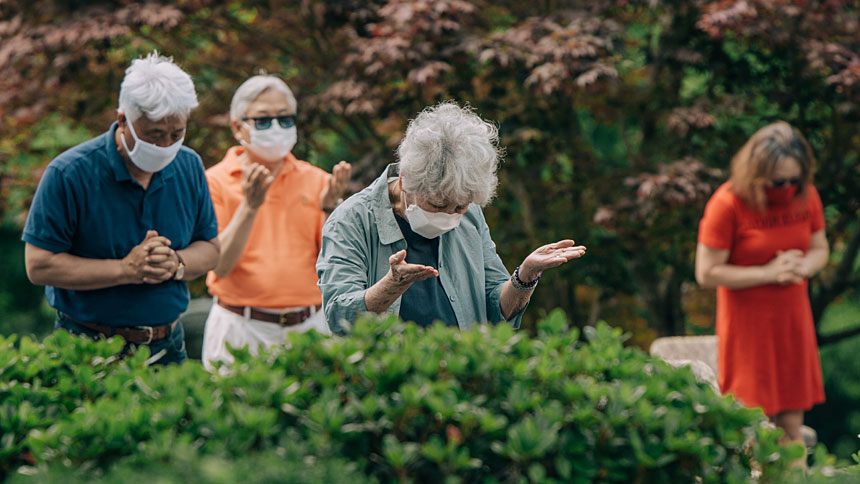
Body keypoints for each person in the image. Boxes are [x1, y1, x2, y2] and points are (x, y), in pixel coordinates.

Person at [316, 102, 586, 333]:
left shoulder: (472, 216)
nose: (449, 216)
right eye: (437, 204)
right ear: (406, 182)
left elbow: (494, 310)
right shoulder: (350, 221)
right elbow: (339, 316)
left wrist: (525, 275)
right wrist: (391, 285)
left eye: (459, 207)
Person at [22, 52, 221, 365]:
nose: (165, 145)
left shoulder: (189, 165)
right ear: (123, 120)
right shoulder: (69, 173)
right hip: (88, 345)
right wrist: (125, 270)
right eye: (154, 134)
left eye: (177, 134)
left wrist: (175, 263)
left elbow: (210, 248)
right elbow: (39, 265)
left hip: (168, 343)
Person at [201, 75, 351, 369]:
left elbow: (335, 265)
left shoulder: (317, 180)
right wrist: (250, 205)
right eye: (263, 119)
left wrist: (331, 210)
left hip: (309, 326)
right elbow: (219, 265)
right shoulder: (213, 182)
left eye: (285, 119)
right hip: (240, 327)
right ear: (237, 127)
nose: (277, 127)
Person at [695, 121, 829, 449]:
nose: (785, 187)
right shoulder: (727, 203)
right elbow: (707, 272)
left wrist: (802, 266)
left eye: (793, 180)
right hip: (748, 329)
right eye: (777, 181)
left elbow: (820, 248)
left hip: (792, 323)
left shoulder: (805, 195)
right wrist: (769, 273)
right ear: (756, 172)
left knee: (792, 429)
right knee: (752, 430)